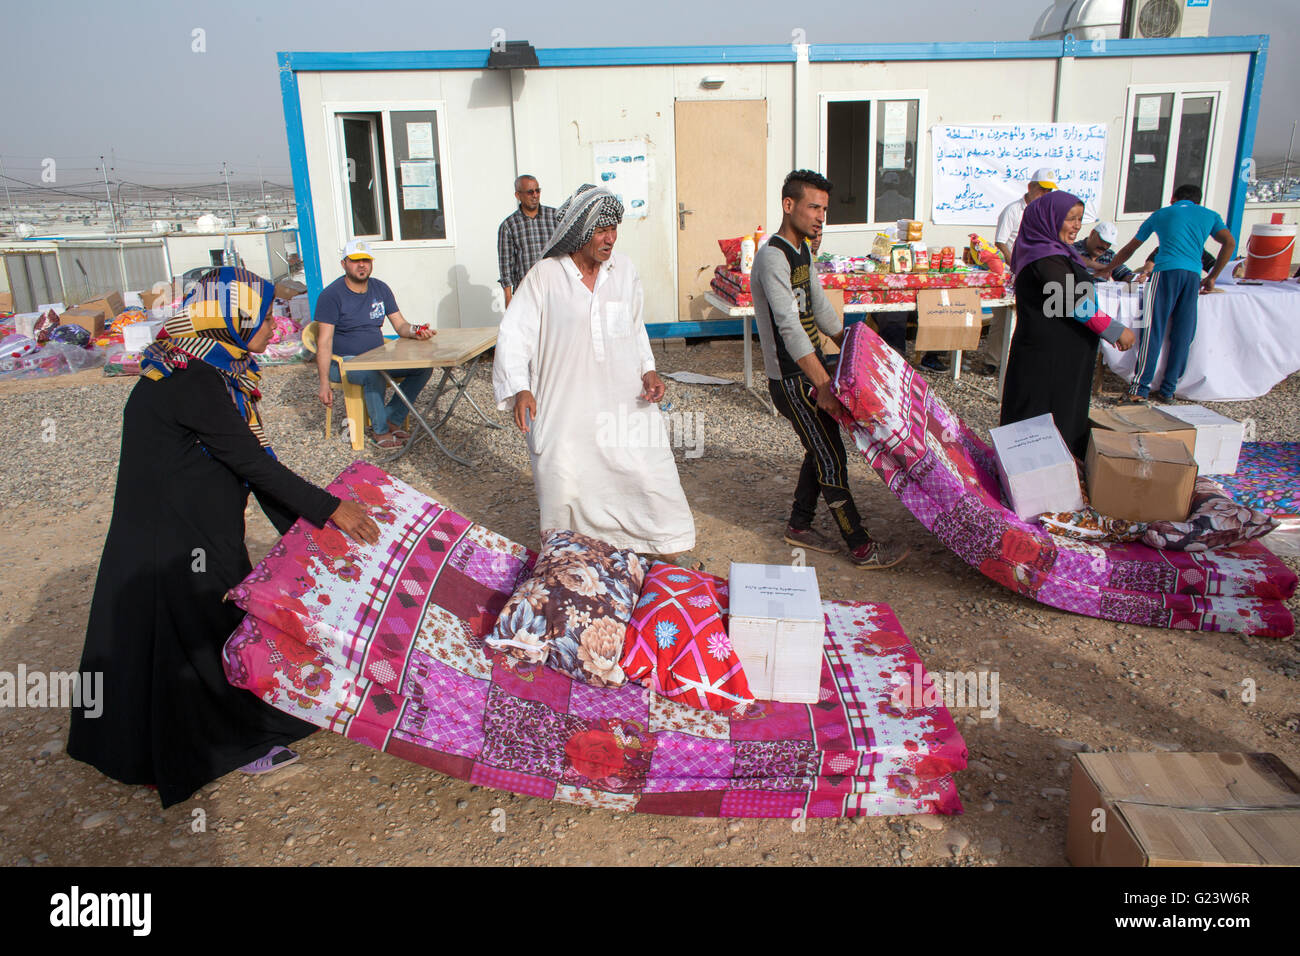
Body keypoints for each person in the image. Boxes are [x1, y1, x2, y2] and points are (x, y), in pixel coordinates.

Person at [67, 266, 380, 808]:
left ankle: (150, 744)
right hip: (177, 534)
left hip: (176, 527)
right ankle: (234, 742)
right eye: (263, 318)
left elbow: (246, 463)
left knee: (170, 636)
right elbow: (251, 462)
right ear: (229, 319)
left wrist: (310, 530)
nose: (273, 327)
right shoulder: (195, 381)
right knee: (203, 630)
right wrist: (333, 511)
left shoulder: (200, 365)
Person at [492, 184, 697, 559]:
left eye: (615, 229)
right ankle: (572, 559)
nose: (610, 238)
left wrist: (648, 369)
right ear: (580, 232)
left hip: (622, 400)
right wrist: (521, 387)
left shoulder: (624, 270)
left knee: (647, 474)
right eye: (602, 230)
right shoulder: (545, 276)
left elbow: (634, 327)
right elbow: (514, 333)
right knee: (564, 482)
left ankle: (657, 550)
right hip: (564, 406)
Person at [750, 169, 907, 569]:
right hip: (790, 377)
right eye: (813, 207)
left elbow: (818, 307)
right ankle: (860, 546)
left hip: (811, 370)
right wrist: (822, 384)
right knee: (832, 456)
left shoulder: (802, 250)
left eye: (825, 209)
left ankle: (799, 525)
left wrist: (856, 348)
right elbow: (788, 327)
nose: (821, 216)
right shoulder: (773, 256)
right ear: (789, 205)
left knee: (820, 446)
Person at [999, 193, 1137, 459]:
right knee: (1042, 421)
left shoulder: (1057, 252)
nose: (1076, 226)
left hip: (1062, 358)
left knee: (1060, 415)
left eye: (1079, 220)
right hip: (1049, 359)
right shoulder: (1045, 257)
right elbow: (1070, 301)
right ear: (1048, 219)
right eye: (1069, 219)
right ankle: (1039, 478)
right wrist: (1115, 330)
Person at [1098, 184, 1236, 404]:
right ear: (1198, 201)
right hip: (1192, 275)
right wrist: (1212, 276)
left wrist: (1106, 269)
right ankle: (1168, 389)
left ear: (1173, 198)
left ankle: (1139, 389)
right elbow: (1229, 242)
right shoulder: (1209, 215)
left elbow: (1130, 248)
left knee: (1153, 329)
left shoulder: (1162, 214)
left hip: (1165, 274)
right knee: (1184, 333)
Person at [313, 239, 435, 450]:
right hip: (344, 363)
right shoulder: (331, 295)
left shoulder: (380, 288)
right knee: (372, 373)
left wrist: (417, 331)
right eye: (356, 260)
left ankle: (391, 418)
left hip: (379, 357)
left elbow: (400, 325)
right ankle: (379, 430)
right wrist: (323, 383)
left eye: (366, 260)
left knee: (423, 368)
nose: (362, 265)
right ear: (344, 264)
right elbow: (324, 342)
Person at [981, 167, 1058, 374]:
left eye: (1048, 192)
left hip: (1033, 271)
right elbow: (1001, 242)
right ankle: (993, 361)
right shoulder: (1014, 210)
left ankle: (1019, 361)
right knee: (1002, 320)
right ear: (1031, 187)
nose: (1045, 195)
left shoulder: (1046, 213)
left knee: (1029, 318)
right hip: (1011, 271)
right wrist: (1015, 264)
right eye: (1042, 190)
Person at [497, 174, 559, 307]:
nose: (535, 195)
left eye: (538, 191)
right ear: (518, 195)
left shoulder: (555, 217)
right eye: (530, 192)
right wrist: (508, 298)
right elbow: (505, 265)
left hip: (554, 289)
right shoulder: (509, 225)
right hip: (526, 293)